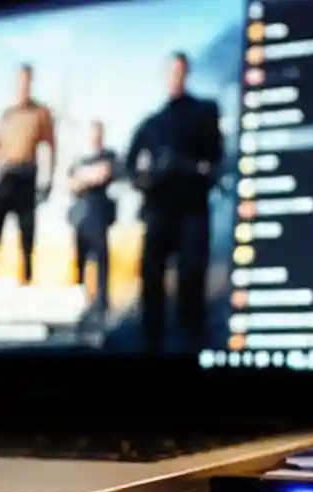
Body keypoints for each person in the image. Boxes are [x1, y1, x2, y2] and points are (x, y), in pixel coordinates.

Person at [126, 51, 223, 350]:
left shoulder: (205, 111)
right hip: (158, 208)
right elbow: (130, 163)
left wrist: (193, 169)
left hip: (193, 208)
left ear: (187, 73)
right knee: (151, 275)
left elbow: (216, 157)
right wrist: (146, 180)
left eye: (179, 71)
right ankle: (150, 337)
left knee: (191, 276)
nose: (175, 77)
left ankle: (191, 338)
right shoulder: (151, 123)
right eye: (170, 71)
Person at [0, 64, 57, 284]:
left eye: (27, 81)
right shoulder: (7, 115)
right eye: (20, 82)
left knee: (27, 233)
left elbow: (51, 147)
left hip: (26, 177)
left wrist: (48, 179)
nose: (23, 86)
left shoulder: (41, 113)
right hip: (5, 177)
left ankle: (26, 279)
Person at [68, 120, 117, 316]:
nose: (94, 137)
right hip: (81, 216)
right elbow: (71, 183)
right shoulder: (80, 160)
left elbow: (103, 174)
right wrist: (86, 177)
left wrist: (85, 177)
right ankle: (79, 302)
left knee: (101, 261)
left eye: (98, 133)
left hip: (99, 213)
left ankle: (102, 303)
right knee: (79, 262)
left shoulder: (109, 156)